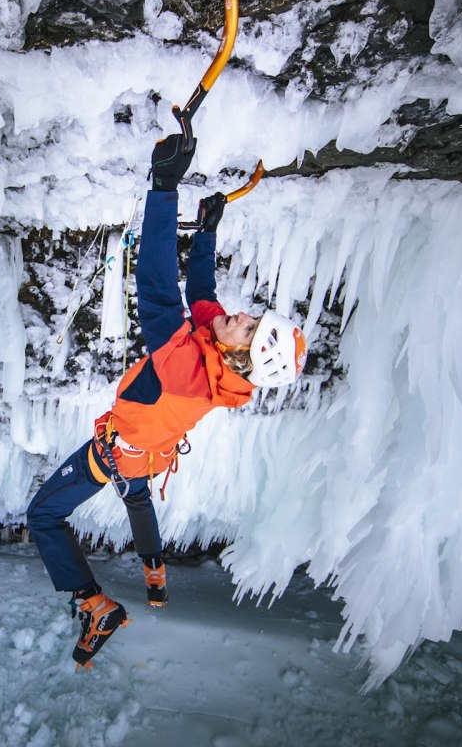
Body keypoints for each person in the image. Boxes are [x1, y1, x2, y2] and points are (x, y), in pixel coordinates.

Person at [26, 133, 308, 669]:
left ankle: (94, 605)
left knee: (43, 515)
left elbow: (157, 288)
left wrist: (163, 189)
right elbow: (201, 297)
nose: (241, 316)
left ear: (243, 357)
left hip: (119, 449)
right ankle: (154, 573)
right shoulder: (218, 358)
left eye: (249, 329)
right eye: (253, 319)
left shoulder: (186, 371)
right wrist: (205, 233)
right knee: (136, 496)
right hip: (147, 451)